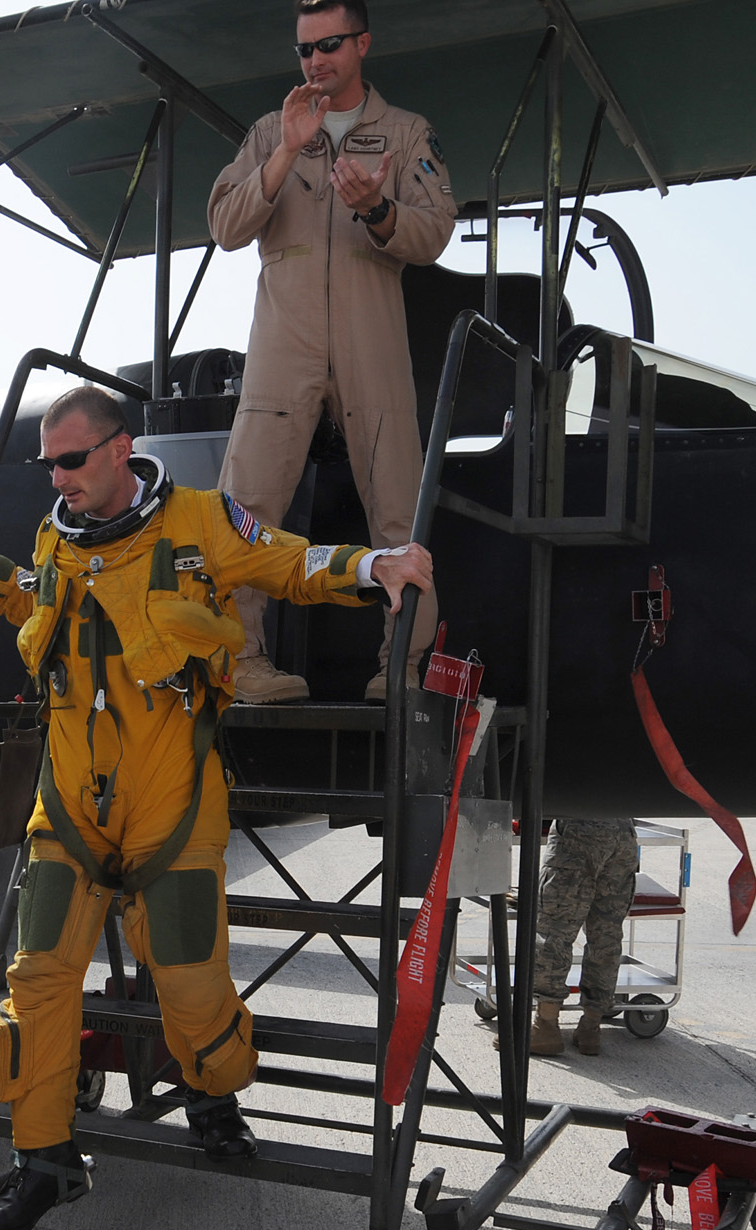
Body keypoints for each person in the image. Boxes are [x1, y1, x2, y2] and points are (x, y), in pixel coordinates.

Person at [0, 386, 432, 1230]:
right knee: (38, 981)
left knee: (191, 985)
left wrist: (373, 567)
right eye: (47, 462)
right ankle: (41, 1159)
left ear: (121, 450)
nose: (57, 476)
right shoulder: (57, 534)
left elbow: (288, 563)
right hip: (70, 806)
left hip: (174, 805)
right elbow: (36, 598)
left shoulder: (201, 523)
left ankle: (211, 1090)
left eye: (72, 459)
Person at [208, 0, 455, 703]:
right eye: (306, 49)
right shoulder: (269, 132)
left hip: (370, 336)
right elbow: (225, 225)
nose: (317, 61)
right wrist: (286, 150)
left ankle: (401, 668)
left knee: (399, 507)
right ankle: (241, 662)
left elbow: (435, 231)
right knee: (243, 506)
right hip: (283, 341)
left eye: (331, 44)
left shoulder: (406, 134)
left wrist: (378, 211)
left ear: (363, 43)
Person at [527, 819, 642, 1058]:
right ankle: (591, 1026)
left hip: (579, 828)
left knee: (554, 931)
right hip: (623, 832)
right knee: (606, 936)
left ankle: (546, 1025)